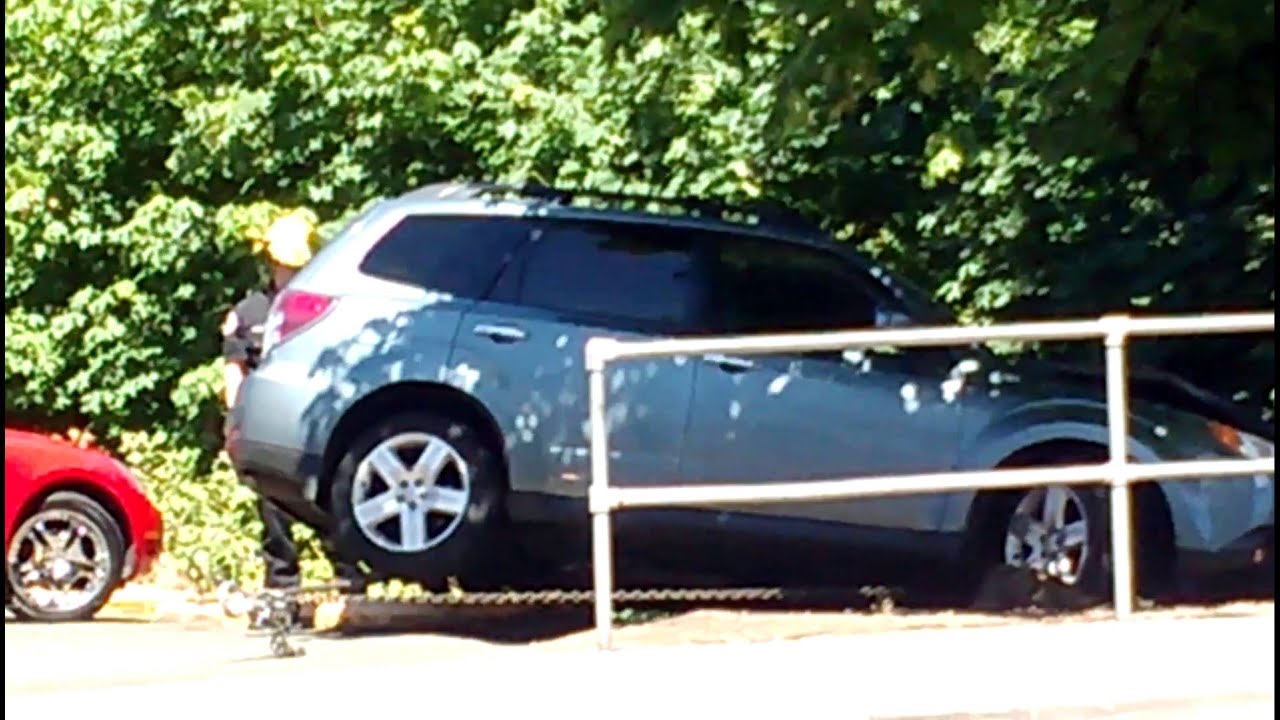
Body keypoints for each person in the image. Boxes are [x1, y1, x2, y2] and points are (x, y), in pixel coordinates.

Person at [220, 209, 366, 613]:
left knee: (331, 504)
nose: (290, 273)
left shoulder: (324, 305)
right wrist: (236, 425)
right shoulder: (249, 314)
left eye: (297, 266)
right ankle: (283, 595)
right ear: (270, 262)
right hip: (267, 425)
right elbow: (235, 371)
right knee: (274, 512)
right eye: (285, 266)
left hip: (317, 424)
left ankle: (352, 586)